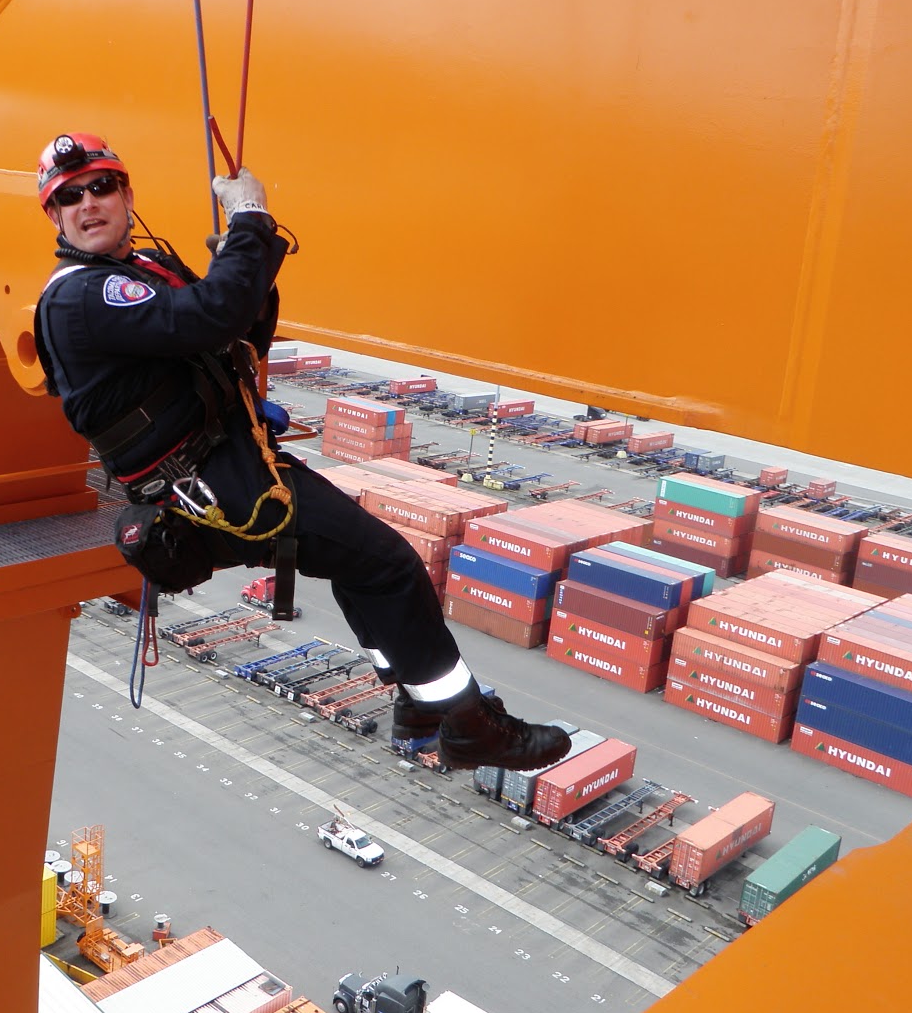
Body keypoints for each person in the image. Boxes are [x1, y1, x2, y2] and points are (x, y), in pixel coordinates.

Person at [30, 132, 570, 772]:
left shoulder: (140, 271)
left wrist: (245, 270)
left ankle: (420, 700)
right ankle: (468, 726)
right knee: (388, 564)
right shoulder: (82, 295)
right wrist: (249, 220)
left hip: (226, 466)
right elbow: (211, 317)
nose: (88, 204)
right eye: (69, 198)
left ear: (126, 195)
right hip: (212, 485)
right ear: (55, 216)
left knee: (361, 562)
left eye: (100, 187)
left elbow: (236, 334)